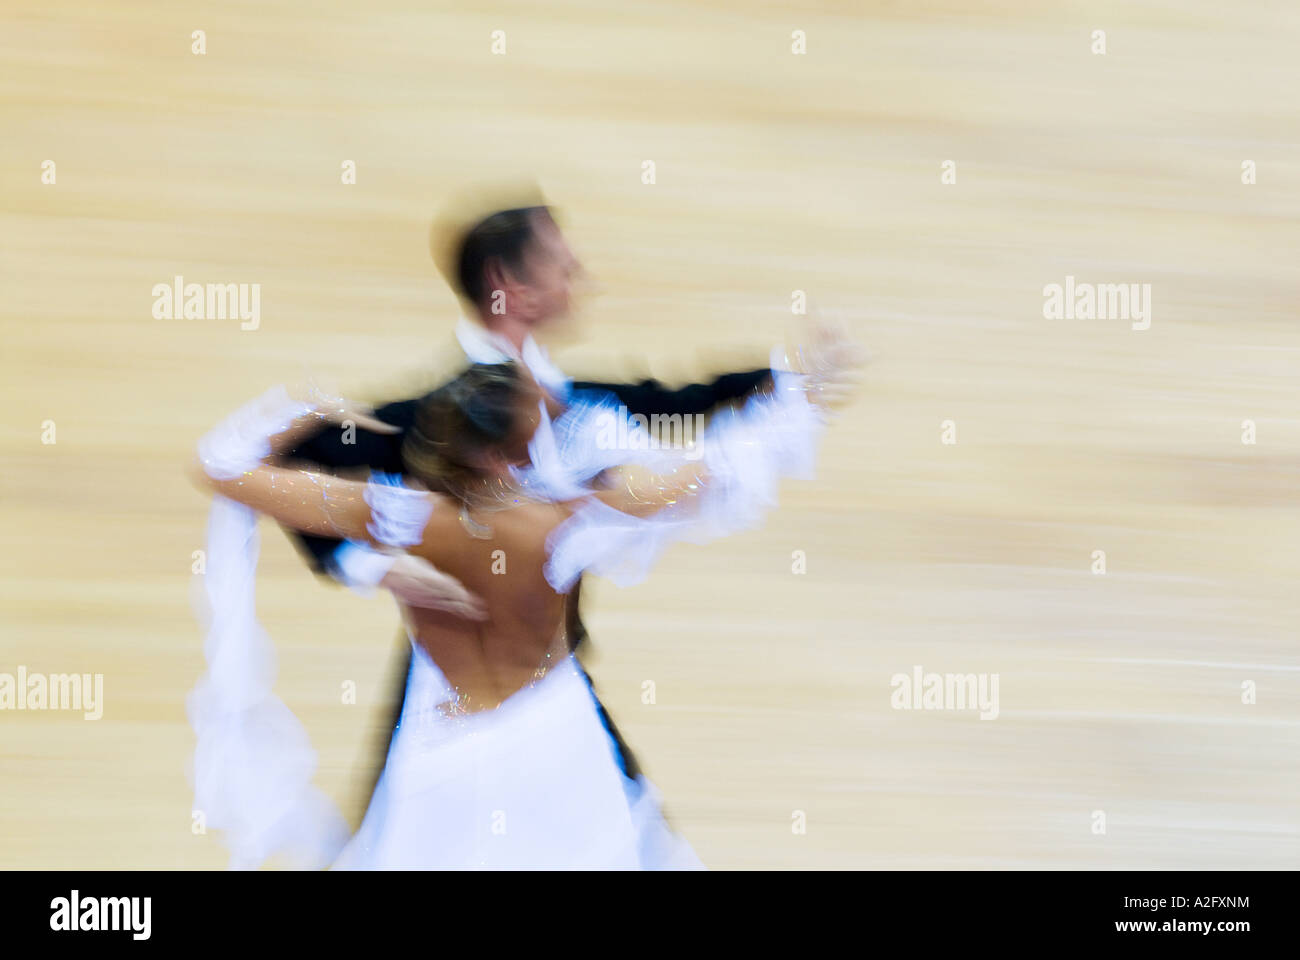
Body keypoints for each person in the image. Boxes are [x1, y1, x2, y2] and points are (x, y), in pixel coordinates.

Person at [188, 326, 854, 868]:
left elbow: (222, 467)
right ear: (504, 458)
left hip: (439, 757)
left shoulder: (396, 516)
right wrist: (799, 393)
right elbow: (722, 472)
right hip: (556, 749)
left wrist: (298, 408)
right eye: (539, 427)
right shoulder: (571, 521)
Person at [281, 186, 777, 811]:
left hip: (547, 679)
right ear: (507, 285)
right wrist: (370, 564)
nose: (580, 278)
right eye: (561, 265)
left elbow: (673, 399)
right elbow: (298, 454)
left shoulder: (566, 398)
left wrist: (784, 377)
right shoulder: (434, 415)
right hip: (455, 682)